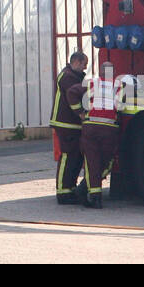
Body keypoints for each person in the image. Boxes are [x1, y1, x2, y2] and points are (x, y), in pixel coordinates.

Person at [73, 64, 120, 209]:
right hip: (109, 128)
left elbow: (75, 94)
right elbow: (121, 106)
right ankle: (87, 190)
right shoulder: (118, 85)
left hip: (91, 127)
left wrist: (79, 112)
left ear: (100, 72)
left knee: (92, 162)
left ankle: (93, 196)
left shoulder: (91, 83)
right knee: (105, 162)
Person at [49, 51, 88, 205]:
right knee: (67, 157)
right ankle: (63, 192)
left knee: (75, 157)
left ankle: (70, 189)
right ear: (76, 62)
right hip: (66, 124)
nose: (85, 67)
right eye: (84, 64)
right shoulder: (67, 77)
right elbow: (75, 95)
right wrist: (81, 113)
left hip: (72, 124)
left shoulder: (73, 76)